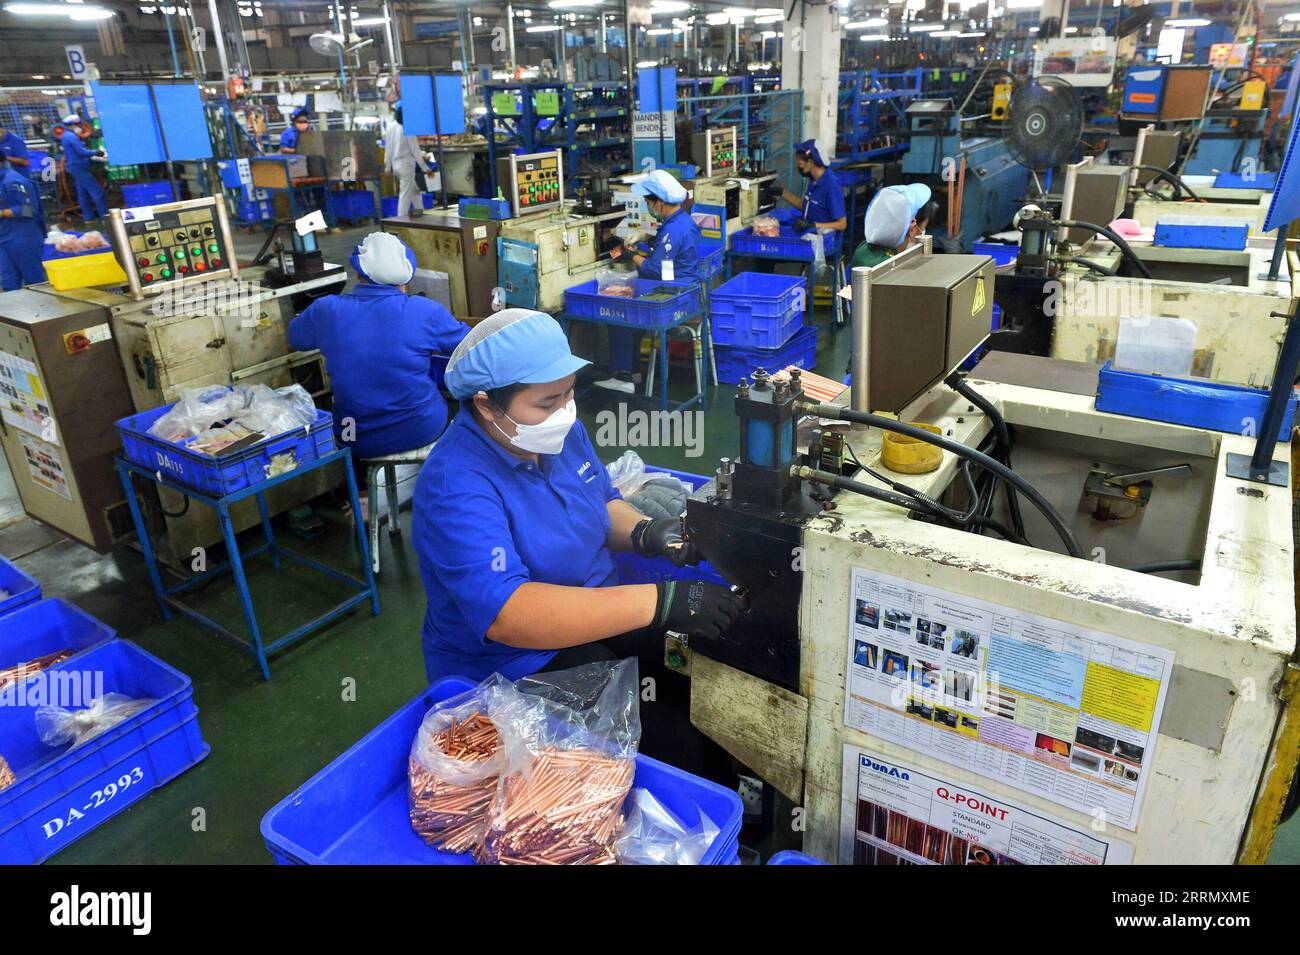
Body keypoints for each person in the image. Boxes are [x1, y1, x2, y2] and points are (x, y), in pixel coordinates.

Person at [412, 308, 743, 770]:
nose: (565, 411)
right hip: (515, 664)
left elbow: (598, 502)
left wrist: (647, 532)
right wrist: (663, 602)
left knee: (707, 687)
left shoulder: (555, 433)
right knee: (672, 746)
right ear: (486, 405)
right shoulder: (456, 484)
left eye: (569, 393)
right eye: (548, 402)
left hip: (598, 608)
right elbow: (508, 614)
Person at [287, 232, 469, 460]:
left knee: (345, 433)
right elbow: (471, 345)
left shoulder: (327, 310)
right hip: (421, 430)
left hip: (355, 436)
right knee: (456, 405)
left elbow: (295, 337)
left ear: (357, 273)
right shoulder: (425, 312)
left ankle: (361, 488)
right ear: (406, 279)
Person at [603, 169, 701, 386]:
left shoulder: (673, 231)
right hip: (685, 290)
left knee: (619, 311)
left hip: (673, 295)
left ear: (660, 203)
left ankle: (623, 376)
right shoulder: (681, 220)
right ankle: (634, 371)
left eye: (649, 202)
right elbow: (666, 244)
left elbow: (655, 270)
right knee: (632, 310)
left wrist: (631, 254)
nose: (648, 206)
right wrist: (645, 237)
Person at [850, 183, 934, 269]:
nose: (922, 232)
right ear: (913, 230)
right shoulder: (897, 268)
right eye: (922, 229)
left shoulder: (862, 249)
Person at [780, 139, 846, 234]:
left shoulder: (831, 185)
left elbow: (842, 224)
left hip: (825, 242)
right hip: (811, 237)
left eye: (800, 165)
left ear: (810, 163)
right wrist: (782, 192)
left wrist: (814, 225)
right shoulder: (813, 180)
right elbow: (806, 206)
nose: (799, 168)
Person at [0, 156, 46, 291]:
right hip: (4, 240)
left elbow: (30, 209)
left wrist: (3, 213)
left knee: (35, 283)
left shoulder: (15, 182)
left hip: (23, 238)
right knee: (9, 283)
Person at [385, 103, 432, 218]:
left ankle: (420, 210)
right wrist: (425, 168)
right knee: (405, 195)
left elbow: (388, 149)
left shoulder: (391, 127)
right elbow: (414, 150)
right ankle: (401, 219)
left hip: (396, 166)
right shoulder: (408, 128)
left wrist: (387, 167)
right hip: (406, 166)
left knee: (414, 189)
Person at [59, 115, 107, 223]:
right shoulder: (71, 137)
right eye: (78, 125)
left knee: (83, 193)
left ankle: (88, 218)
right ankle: (105, 217)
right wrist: (96, 152)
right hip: (79, 167)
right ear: (73, 125)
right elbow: (81, 152)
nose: (80, 127)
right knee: (97, 191)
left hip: (76, 167)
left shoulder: (66, 136)